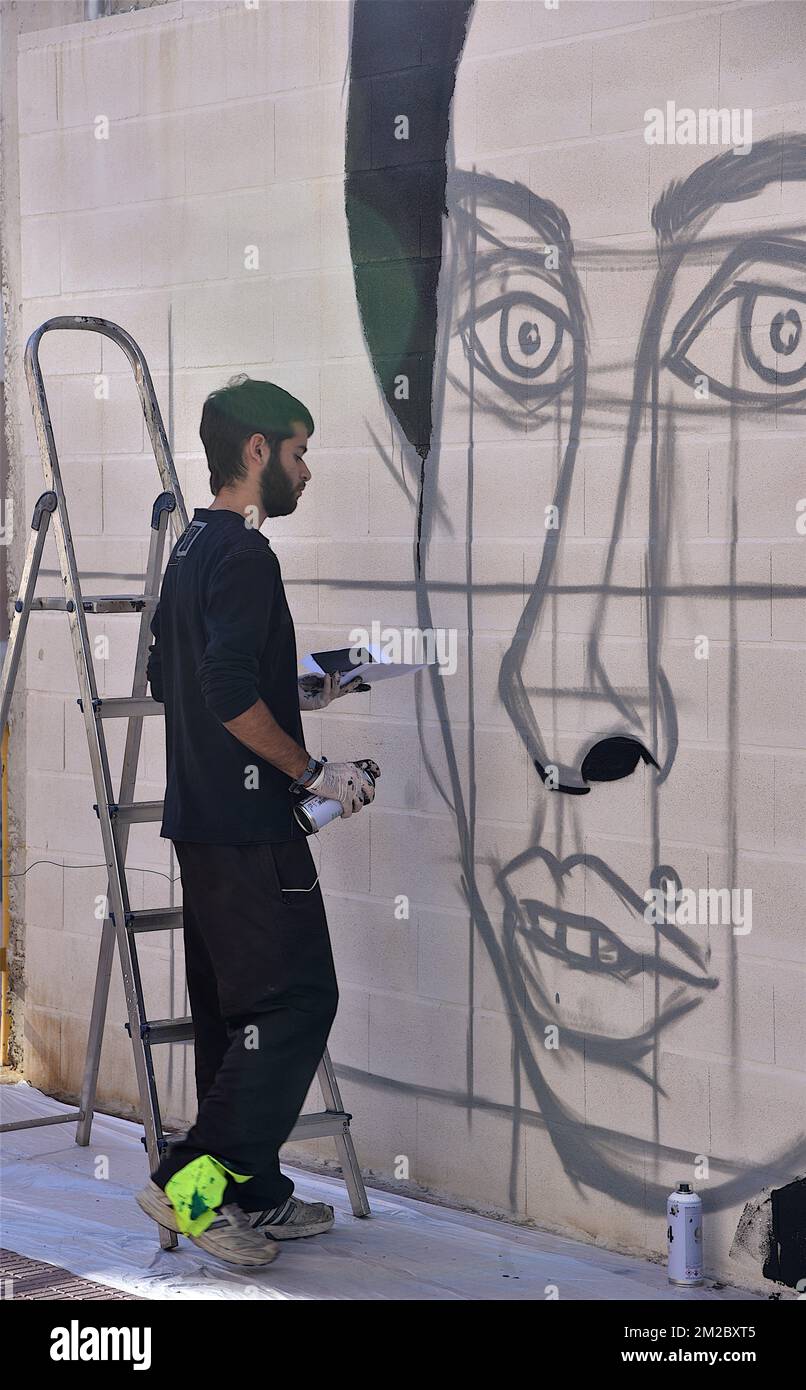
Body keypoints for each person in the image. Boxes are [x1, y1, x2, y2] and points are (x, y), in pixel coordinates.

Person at [135, 373, 377, 1267]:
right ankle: (190, 1184)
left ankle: (254, 1193)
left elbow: (183, 681)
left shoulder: (192, 546)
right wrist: (316, 769)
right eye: (299, 450)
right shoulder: (247, 554)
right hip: (250, 836)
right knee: (298, 1001)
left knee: (236, 1019)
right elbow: (227, 690)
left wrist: (312, 681)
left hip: (202, 824)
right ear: (256, 452)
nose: (306, 470)